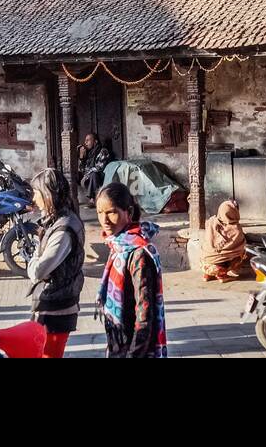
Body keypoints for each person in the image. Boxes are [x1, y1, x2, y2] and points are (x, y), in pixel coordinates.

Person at [95, 181, 166, 358]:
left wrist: (134, 352)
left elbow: (145, 312)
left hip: (134, 346)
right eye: (100, 213)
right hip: (118, 340)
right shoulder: (118, 246)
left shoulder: (138, 253)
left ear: (129, 212)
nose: (104, 220)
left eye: (111, 212)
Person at [25, 168, 85, 358]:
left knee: (49, 355)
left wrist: (33, 259)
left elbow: (38, 271)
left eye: (36, 192)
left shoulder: (64, 229)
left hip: (57, 306)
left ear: (48, 194)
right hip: (52, 301)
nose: (34, 198)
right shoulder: (55, 221)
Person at [201, 199, 248, 281]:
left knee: (210, 253)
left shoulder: (211, 221)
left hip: (203, 264)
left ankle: (207, 275)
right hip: (218, 268)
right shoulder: (235, 229)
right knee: (242, 252)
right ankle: (222, 276)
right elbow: (241, 244)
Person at [77, 133, 113, 205]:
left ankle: (93, 198)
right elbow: (81, 170)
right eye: (85, 141)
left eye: (88, 140)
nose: (85, 143)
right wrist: (81, 157)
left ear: (95, 141)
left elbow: (99, 168)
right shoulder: (89, 153)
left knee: (94, 174)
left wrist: (86, 175)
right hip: (89, 177)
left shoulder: (103, 151)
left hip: (101, 176)